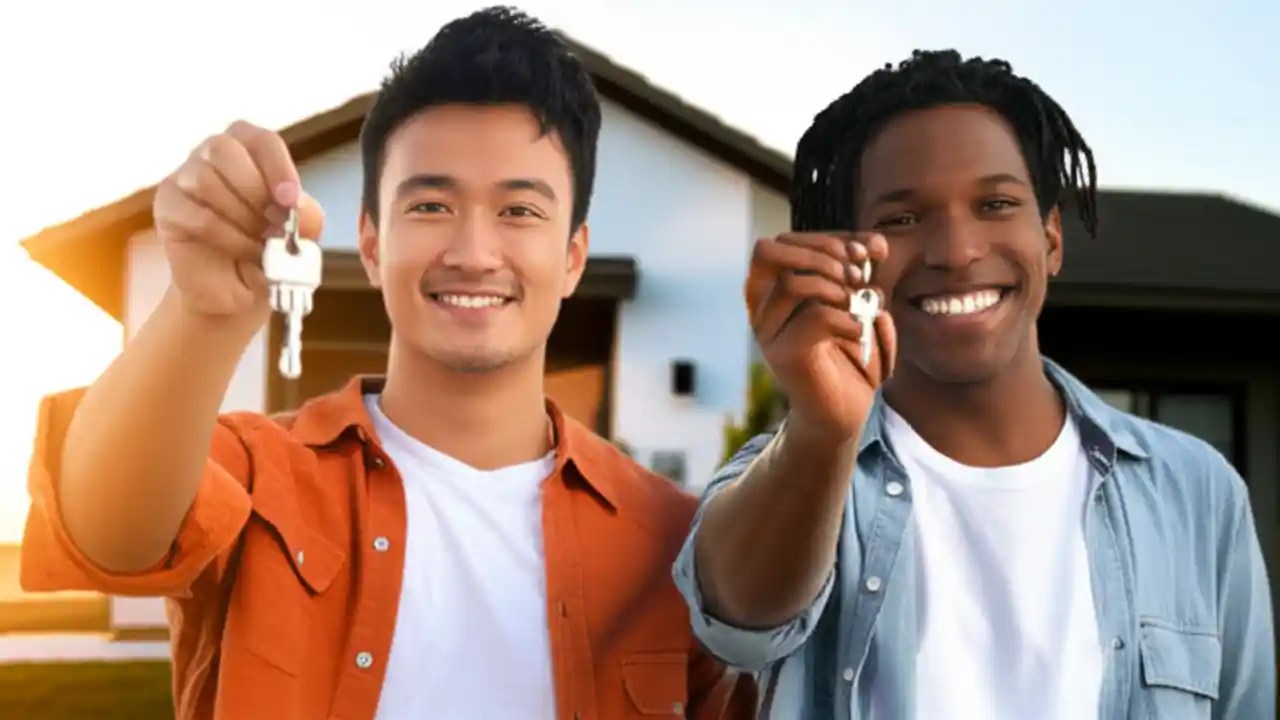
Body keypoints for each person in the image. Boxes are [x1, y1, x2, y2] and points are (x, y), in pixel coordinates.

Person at [19, 7, 754, 719]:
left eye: (519, 211)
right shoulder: (256, 475)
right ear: (371, 243)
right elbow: (103, 532)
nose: (471, 252)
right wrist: (200, 312)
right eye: (431, 206)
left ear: (572, 257)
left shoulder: (673, 540)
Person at [674, 49, 1275, 719]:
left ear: (1050, 237)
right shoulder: (793, 472)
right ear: (846, 259)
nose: (957, 251)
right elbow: (737, 621)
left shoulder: (1196, 490)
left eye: (995, 203)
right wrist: (823, 427)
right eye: (901, 219)